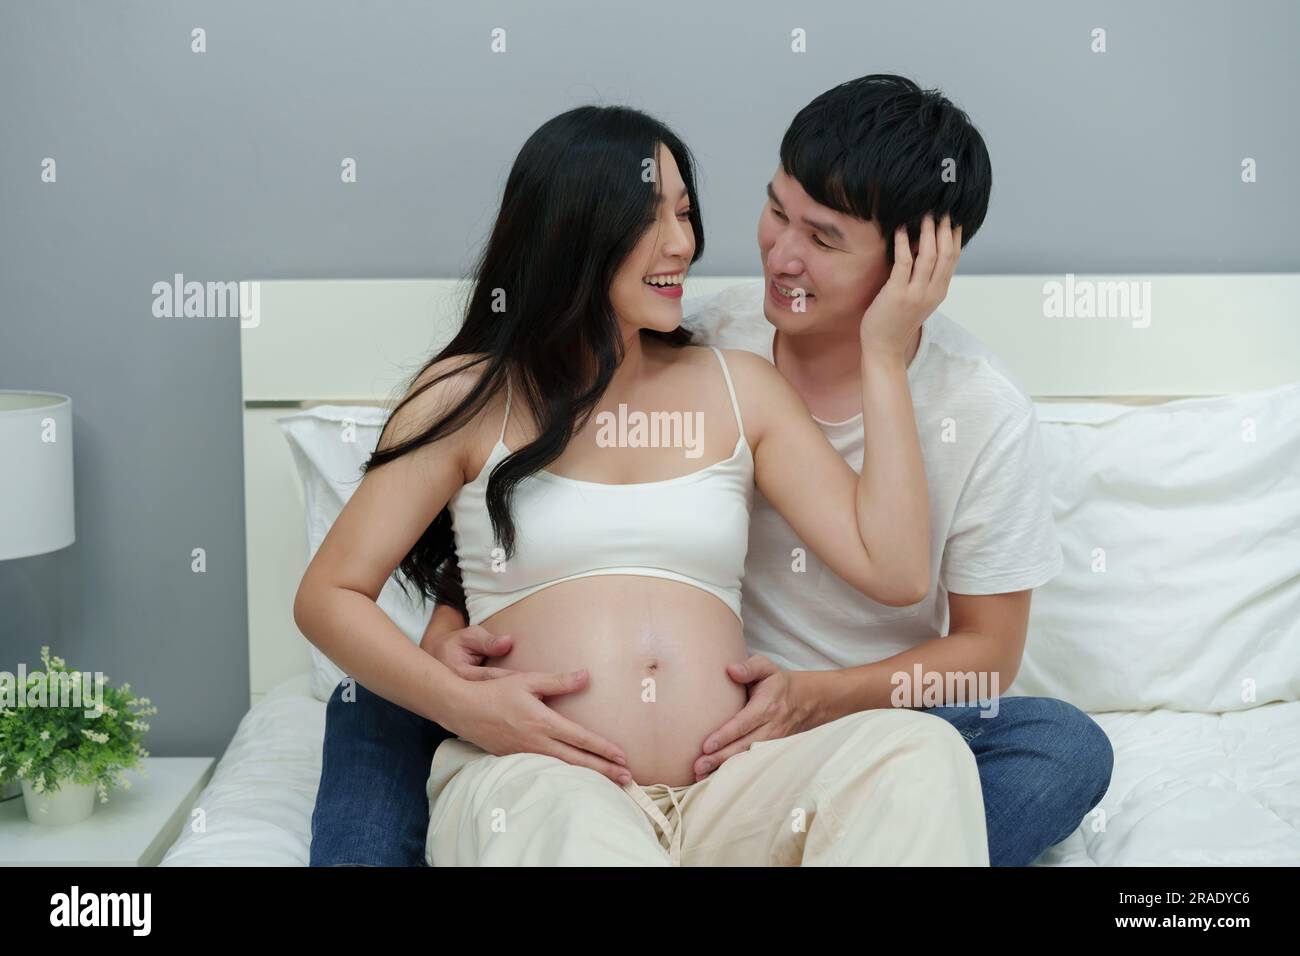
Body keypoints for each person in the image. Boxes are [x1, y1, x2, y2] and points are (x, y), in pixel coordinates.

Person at [311, 75, 1113, 868]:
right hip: (554, 770)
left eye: (685, 214)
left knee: (963, 752)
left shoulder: (758, 383)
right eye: (774, 211)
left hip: (757, 761)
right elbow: (460, 546)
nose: (691, 246)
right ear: (575, 231)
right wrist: (453, 673)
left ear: (910, 263)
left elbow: (912, 585)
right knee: (373, 702)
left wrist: (884, 354)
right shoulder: (682, 337)